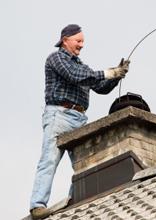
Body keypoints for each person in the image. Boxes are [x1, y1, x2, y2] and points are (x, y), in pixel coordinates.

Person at [30, 24, 130, 219]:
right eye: (79, 41)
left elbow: (100, 87)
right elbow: (76, 77)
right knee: (49, 160)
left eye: (82, 41)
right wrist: (109, 72)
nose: (82, 45)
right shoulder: (56, 58)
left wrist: (117, 76)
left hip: (78, 118)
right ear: (65, 39)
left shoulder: (81, 66)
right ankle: (37, 205)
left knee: (84, 163)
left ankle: (73, 200)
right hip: (59, 115)